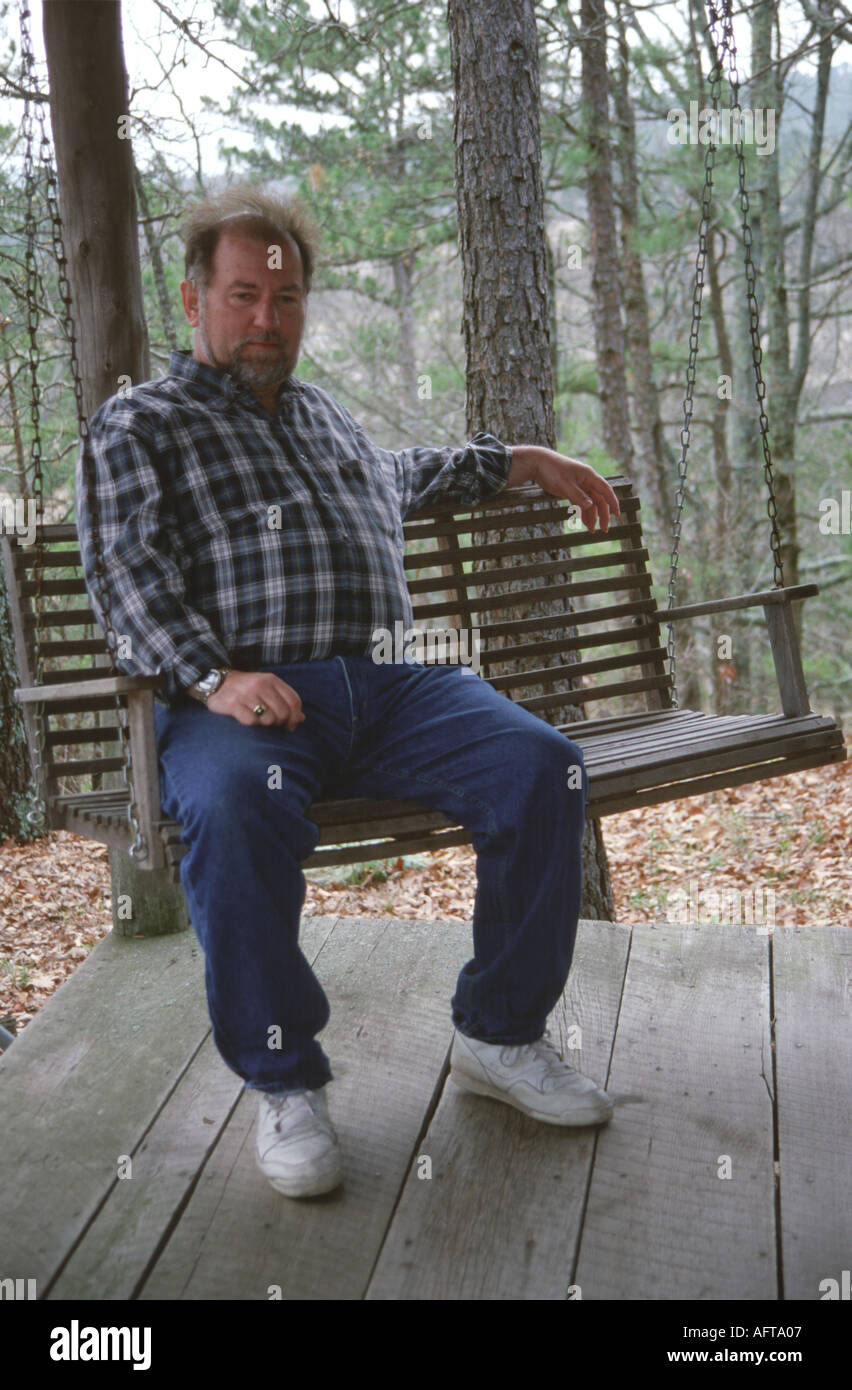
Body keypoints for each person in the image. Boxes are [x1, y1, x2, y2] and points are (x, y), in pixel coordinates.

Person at [76, 185, 621, 1200]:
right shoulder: (139, 425)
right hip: (242, 704)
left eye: (283, 301)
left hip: (389, 684)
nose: (264, 319)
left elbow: (400, 473)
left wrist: (519, 462)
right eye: (242, 296)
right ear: (196, 298)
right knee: (234, 809)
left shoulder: (322, 416)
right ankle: (283, 1080)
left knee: (545, 769)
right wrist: (215, 675)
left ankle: (499, 1035)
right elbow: (121, 573)